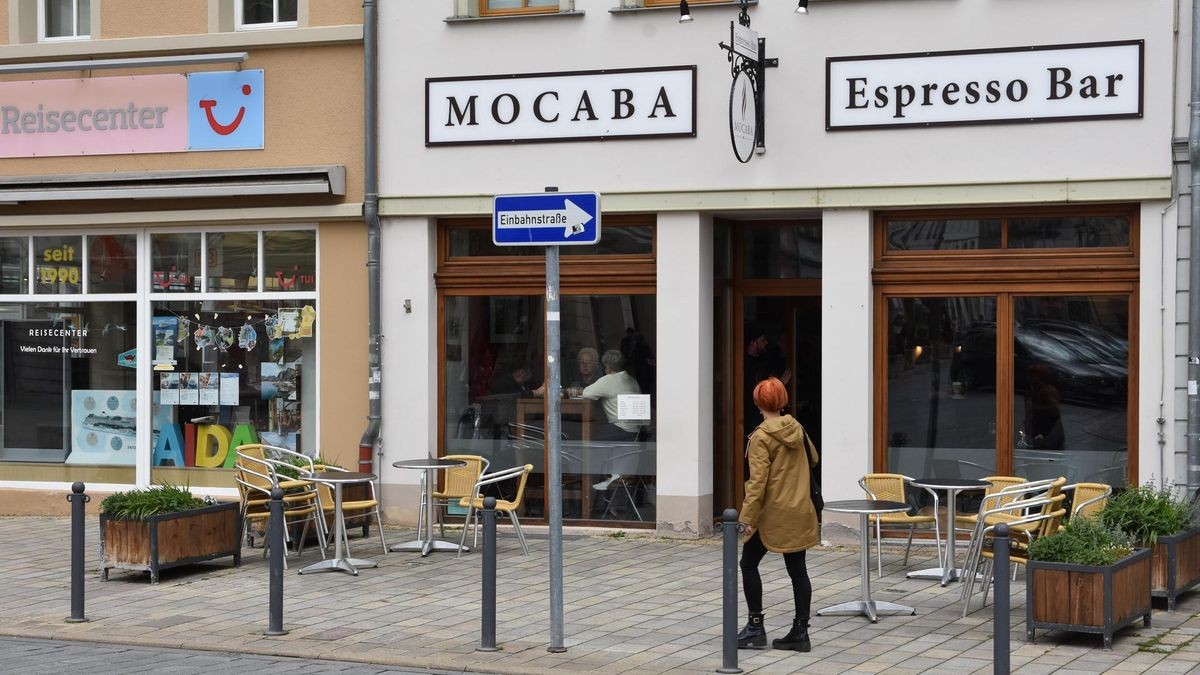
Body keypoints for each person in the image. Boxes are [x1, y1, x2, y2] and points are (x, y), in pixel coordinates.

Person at [737, 377, 819, 652]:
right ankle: (800, 632)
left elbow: (757, 483)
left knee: (748, 564)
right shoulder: (797, 427)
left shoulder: (761, 436)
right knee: (798, 571)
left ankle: (755, 627)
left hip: (772, 514)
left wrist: (747, 519)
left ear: (757, 403)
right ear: (783, 401)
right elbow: (814, 459)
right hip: (800, 510)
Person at [581, 349, 642, 440]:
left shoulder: (609, 379)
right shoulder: (632, 380)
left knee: (588, 433)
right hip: (635, 431)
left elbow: (586, 393)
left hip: (620, 429)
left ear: (608, 367)